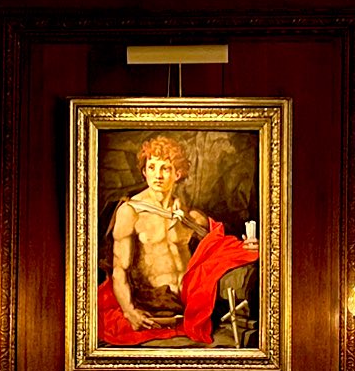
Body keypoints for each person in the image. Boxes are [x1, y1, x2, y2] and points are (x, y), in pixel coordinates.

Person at [98, 135, 258, 347]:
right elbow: (120, 269)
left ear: (178, 173)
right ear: (144, 172)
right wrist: (129, 311)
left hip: (185, 308)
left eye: (165, 168)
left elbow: (218, 246)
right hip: (150, 305)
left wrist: (247, 247)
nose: (157, 175)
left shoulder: (189, 216)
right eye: (152, 167)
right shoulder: (131, 213)